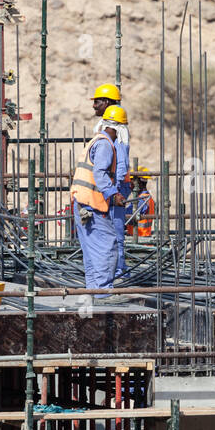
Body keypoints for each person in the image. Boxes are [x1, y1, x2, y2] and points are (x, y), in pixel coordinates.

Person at [72, 105, 128, 295]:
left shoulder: (95, 140)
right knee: (107, 247)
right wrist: (114, 194)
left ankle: (94, 292)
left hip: (82, 203)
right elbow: (100, 173)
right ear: (120, 128)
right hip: (93, 206)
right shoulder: (105, 144)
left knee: (91, 254)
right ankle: (103, 293)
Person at [125, 166, 155, 238]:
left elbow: (126, 216)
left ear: (138, 182)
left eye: (131, 181)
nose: (130, 185)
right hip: (142, 239)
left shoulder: (141, 200)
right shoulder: (147, 198)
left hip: (139, 240)